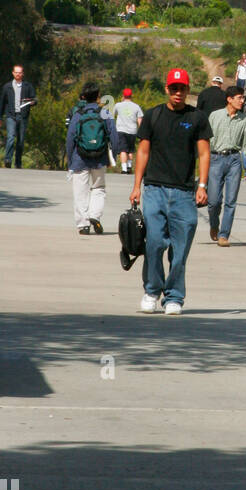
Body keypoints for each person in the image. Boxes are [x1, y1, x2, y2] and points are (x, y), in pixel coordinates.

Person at [130, 68, 211, 315]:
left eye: (182, 88)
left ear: (188, 90)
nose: (178, 92)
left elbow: (204, 153)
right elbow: (143, 152)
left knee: (180, 247)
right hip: (154, 188)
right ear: (167, 89)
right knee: (154, 243)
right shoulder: (153, 116)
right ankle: (152, 291)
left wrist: (202, 185)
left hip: (184, 193)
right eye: (173, 88)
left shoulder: (197, 118)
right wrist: (136, 186)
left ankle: (174, 296)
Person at [207, 83, 246, 245]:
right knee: (213, 201)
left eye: (243, 98)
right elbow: (206, 140)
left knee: (231, 200)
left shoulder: (244, 120)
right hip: (215, 159)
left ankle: (224, 235)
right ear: (229, 99)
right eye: (239, 98)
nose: (242, 101)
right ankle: (214, 224)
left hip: (234, 161)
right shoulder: (214, 116)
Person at [66, 82, 120, 235]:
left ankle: (83, 225)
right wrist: (112, 157)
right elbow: (114, 137)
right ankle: (94, 216)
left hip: (79, 158)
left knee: (80, 191)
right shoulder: (105, 113)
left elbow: (70, 138)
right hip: (99, 157)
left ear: (83, 96)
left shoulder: (78, 114)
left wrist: (70, 160)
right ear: (98, 96)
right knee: (98, 188)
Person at [0, 64, 37, 169]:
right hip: (11, 116)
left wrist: (32, 102)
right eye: (16, 72)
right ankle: (8, 159)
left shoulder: (28, 86)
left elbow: (34, 99)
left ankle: (18, 162)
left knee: (20, 140)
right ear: (13, 73)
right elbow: (2, 102)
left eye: (20, 72)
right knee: (10, 137)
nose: (18, 74)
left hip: (23, 116)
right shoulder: (7, 87)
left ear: (22, 74)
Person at [113, 88, 143, 174]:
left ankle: (124, 169)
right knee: (130, 150)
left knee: (123, 150)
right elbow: (140, 120)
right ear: (131, 95)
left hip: (121, 130)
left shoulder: (118, 105)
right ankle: (129, 166)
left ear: (123, 96)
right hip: (133, 131)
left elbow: (112, 114)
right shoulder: (136, 106)